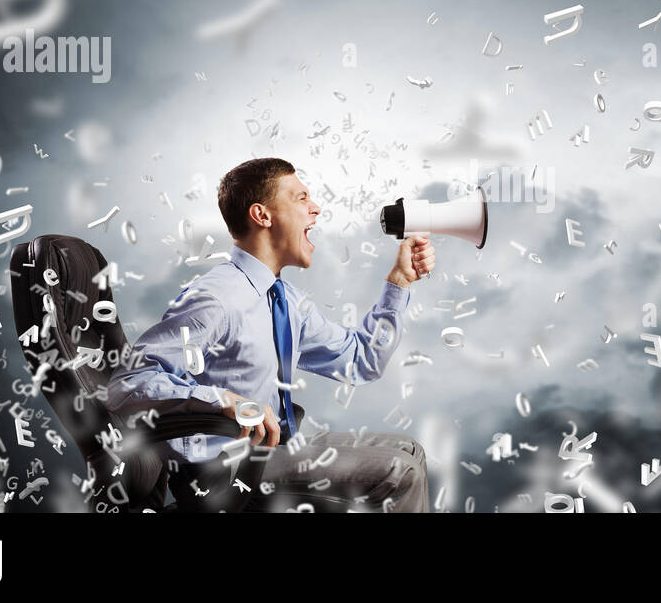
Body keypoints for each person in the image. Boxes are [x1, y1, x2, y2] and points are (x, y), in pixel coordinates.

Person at [106, 157, 434, 511]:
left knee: (408, 450)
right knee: (401, 474)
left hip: (272, 448)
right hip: (228, 469)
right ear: (262, 216)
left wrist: (399, 281)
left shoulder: (284, 300)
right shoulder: (217, 298)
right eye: (301, 197)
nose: (316, 208)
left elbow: (361, 361)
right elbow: (128, 384)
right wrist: (224, 400)